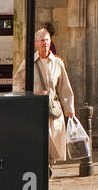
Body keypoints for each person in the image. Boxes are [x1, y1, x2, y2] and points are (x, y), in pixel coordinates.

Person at [13, 28, 76, 166]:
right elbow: (17, 85)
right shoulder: (28, 63)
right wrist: (31, 96)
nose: (45, 43)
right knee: (39, 139)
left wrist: (69, 109)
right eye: (42, 40)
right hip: (35, 109)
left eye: (47, 40)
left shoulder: (58, 63)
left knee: (53, 139)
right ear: (36, 43)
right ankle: (41, 165)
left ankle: (49, 164)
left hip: (52, 109)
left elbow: (64, 88)